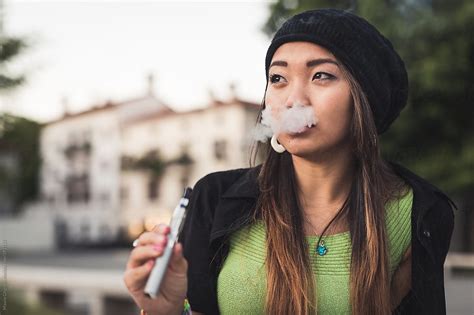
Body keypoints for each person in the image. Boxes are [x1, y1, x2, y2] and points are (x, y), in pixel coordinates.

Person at [123, 8, 457, 315]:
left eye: (321, 76)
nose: (293, 100)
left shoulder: (418, 214)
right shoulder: (214, 198)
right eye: (278, 79)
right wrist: (162, 311)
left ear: (364, 99)